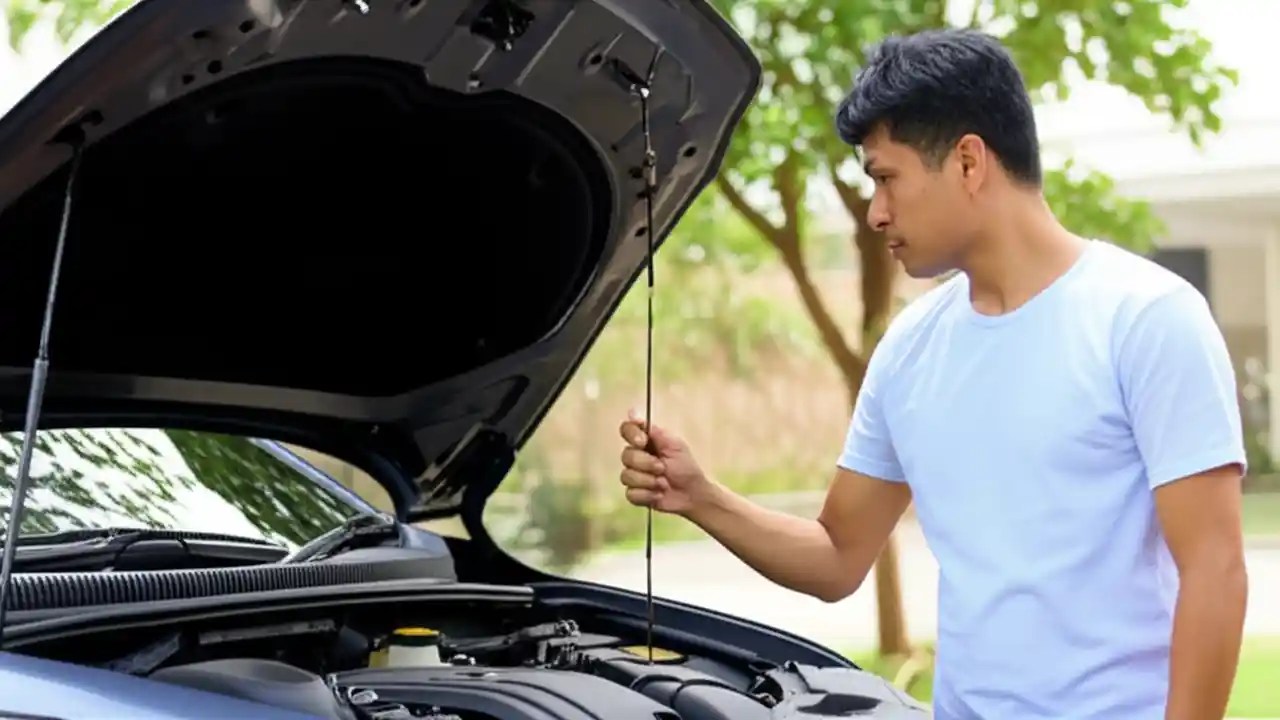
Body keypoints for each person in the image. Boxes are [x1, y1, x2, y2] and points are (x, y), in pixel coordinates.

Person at [617, 27, 1248, 720]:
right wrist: (701, 496)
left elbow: (1213, 572)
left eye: (886, 177)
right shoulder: (910, 348)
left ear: (969, 161)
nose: (875, 211)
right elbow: (836, 556)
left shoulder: (1147, 318)